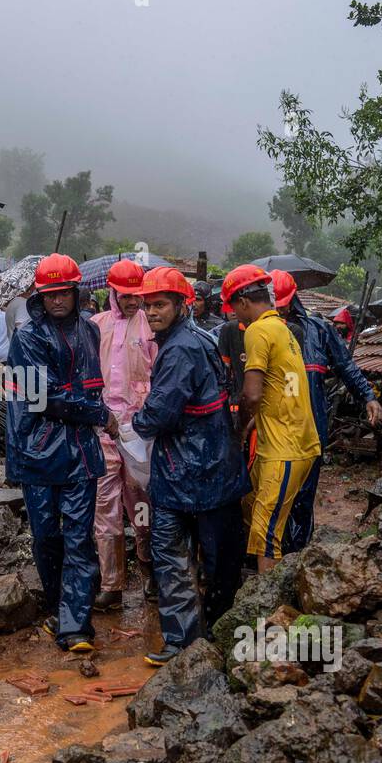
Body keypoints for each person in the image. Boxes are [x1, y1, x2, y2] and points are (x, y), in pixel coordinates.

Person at [131, 268, 247, 666]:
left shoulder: (179, 349)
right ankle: (214, 637)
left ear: (182, 305)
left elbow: (158, 415)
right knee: (214, 561)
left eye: (160, 304)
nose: (151, 312)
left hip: (187, 471)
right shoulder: (201, 338)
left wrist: (136, 420)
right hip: (213, 468)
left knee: (173, 557)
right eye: (147, 305)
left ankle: (185, 644)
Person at [4, 253, 110, 652]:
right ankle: (59, 608)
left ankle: (75, 626)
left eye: (63, 292)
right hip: (37, 448)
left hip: (81, 452)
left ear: (75, 290)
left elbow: (90, 385)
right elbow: (45, 398)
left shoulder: (90, 331)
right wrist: (99, 414)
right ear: (40, 296)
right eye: (49, 294)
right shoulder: (28, 338)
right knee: (47, 536)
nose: (57, 300)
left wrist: (95, 411)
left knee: (79, 537)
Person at [268, 271, 382, 552]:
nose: (279, 309)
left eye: (282, 303)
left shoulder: (319, 330)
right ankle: (268, 552)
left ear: (292, 298)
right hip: (274, 426)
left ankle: (298, 553)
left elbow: (345, 365)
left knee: (304, 494)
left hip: (312, 424)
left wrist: (368, 396)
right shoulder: (261, 333)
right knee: (272, 494)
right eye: (274, 303)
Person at [221, 264, 320, 574]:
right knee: (248, 504)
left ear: (244, 301)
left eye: (234, 307)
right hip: (284, 441)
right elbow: (278, 389)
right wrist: (254, 424)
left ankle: (269, 611)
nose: (234, 315)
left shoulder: (257, 330)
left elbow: (251, 394)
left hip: (286, 448)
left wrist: (238, 429)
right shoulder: (282, 329)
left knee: (266, 533)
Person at [89, 259, 156, 610]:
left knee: (142, 505)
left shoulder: (151, 328)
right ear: (112, 292)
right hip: (102, 430)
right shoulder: (95, 326)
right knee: (105, 509)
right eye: (126, 296)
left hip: (140, 433)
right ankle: (111, 584)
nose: (133, 302)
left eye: (137, 296)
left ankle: (149, 571)